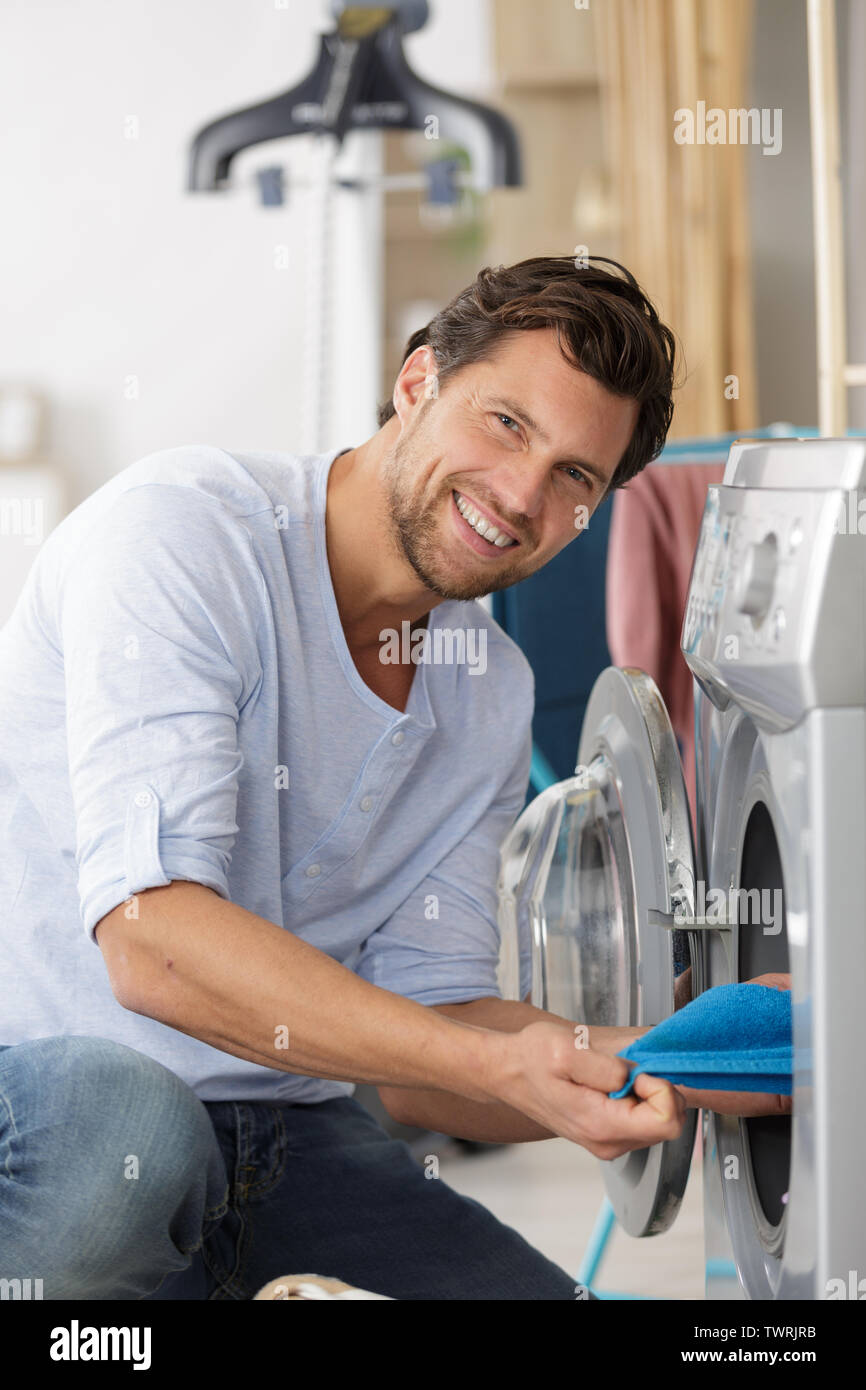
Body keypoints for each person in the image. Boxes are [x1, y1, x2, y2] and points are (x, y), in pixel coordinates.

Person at [0, 255, 788, 1301]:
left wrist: (679, 1054)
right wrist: (487, 1061)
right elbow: (153, 946)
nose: (519, 496)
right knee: (124, 1130)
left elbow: (432, 1042)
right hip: (57, 1120)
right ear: (417, 381)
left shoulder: (484, 690)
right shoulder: (183, 535)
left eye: (573, 479)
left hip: (291, 1143)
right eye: (505, 423)